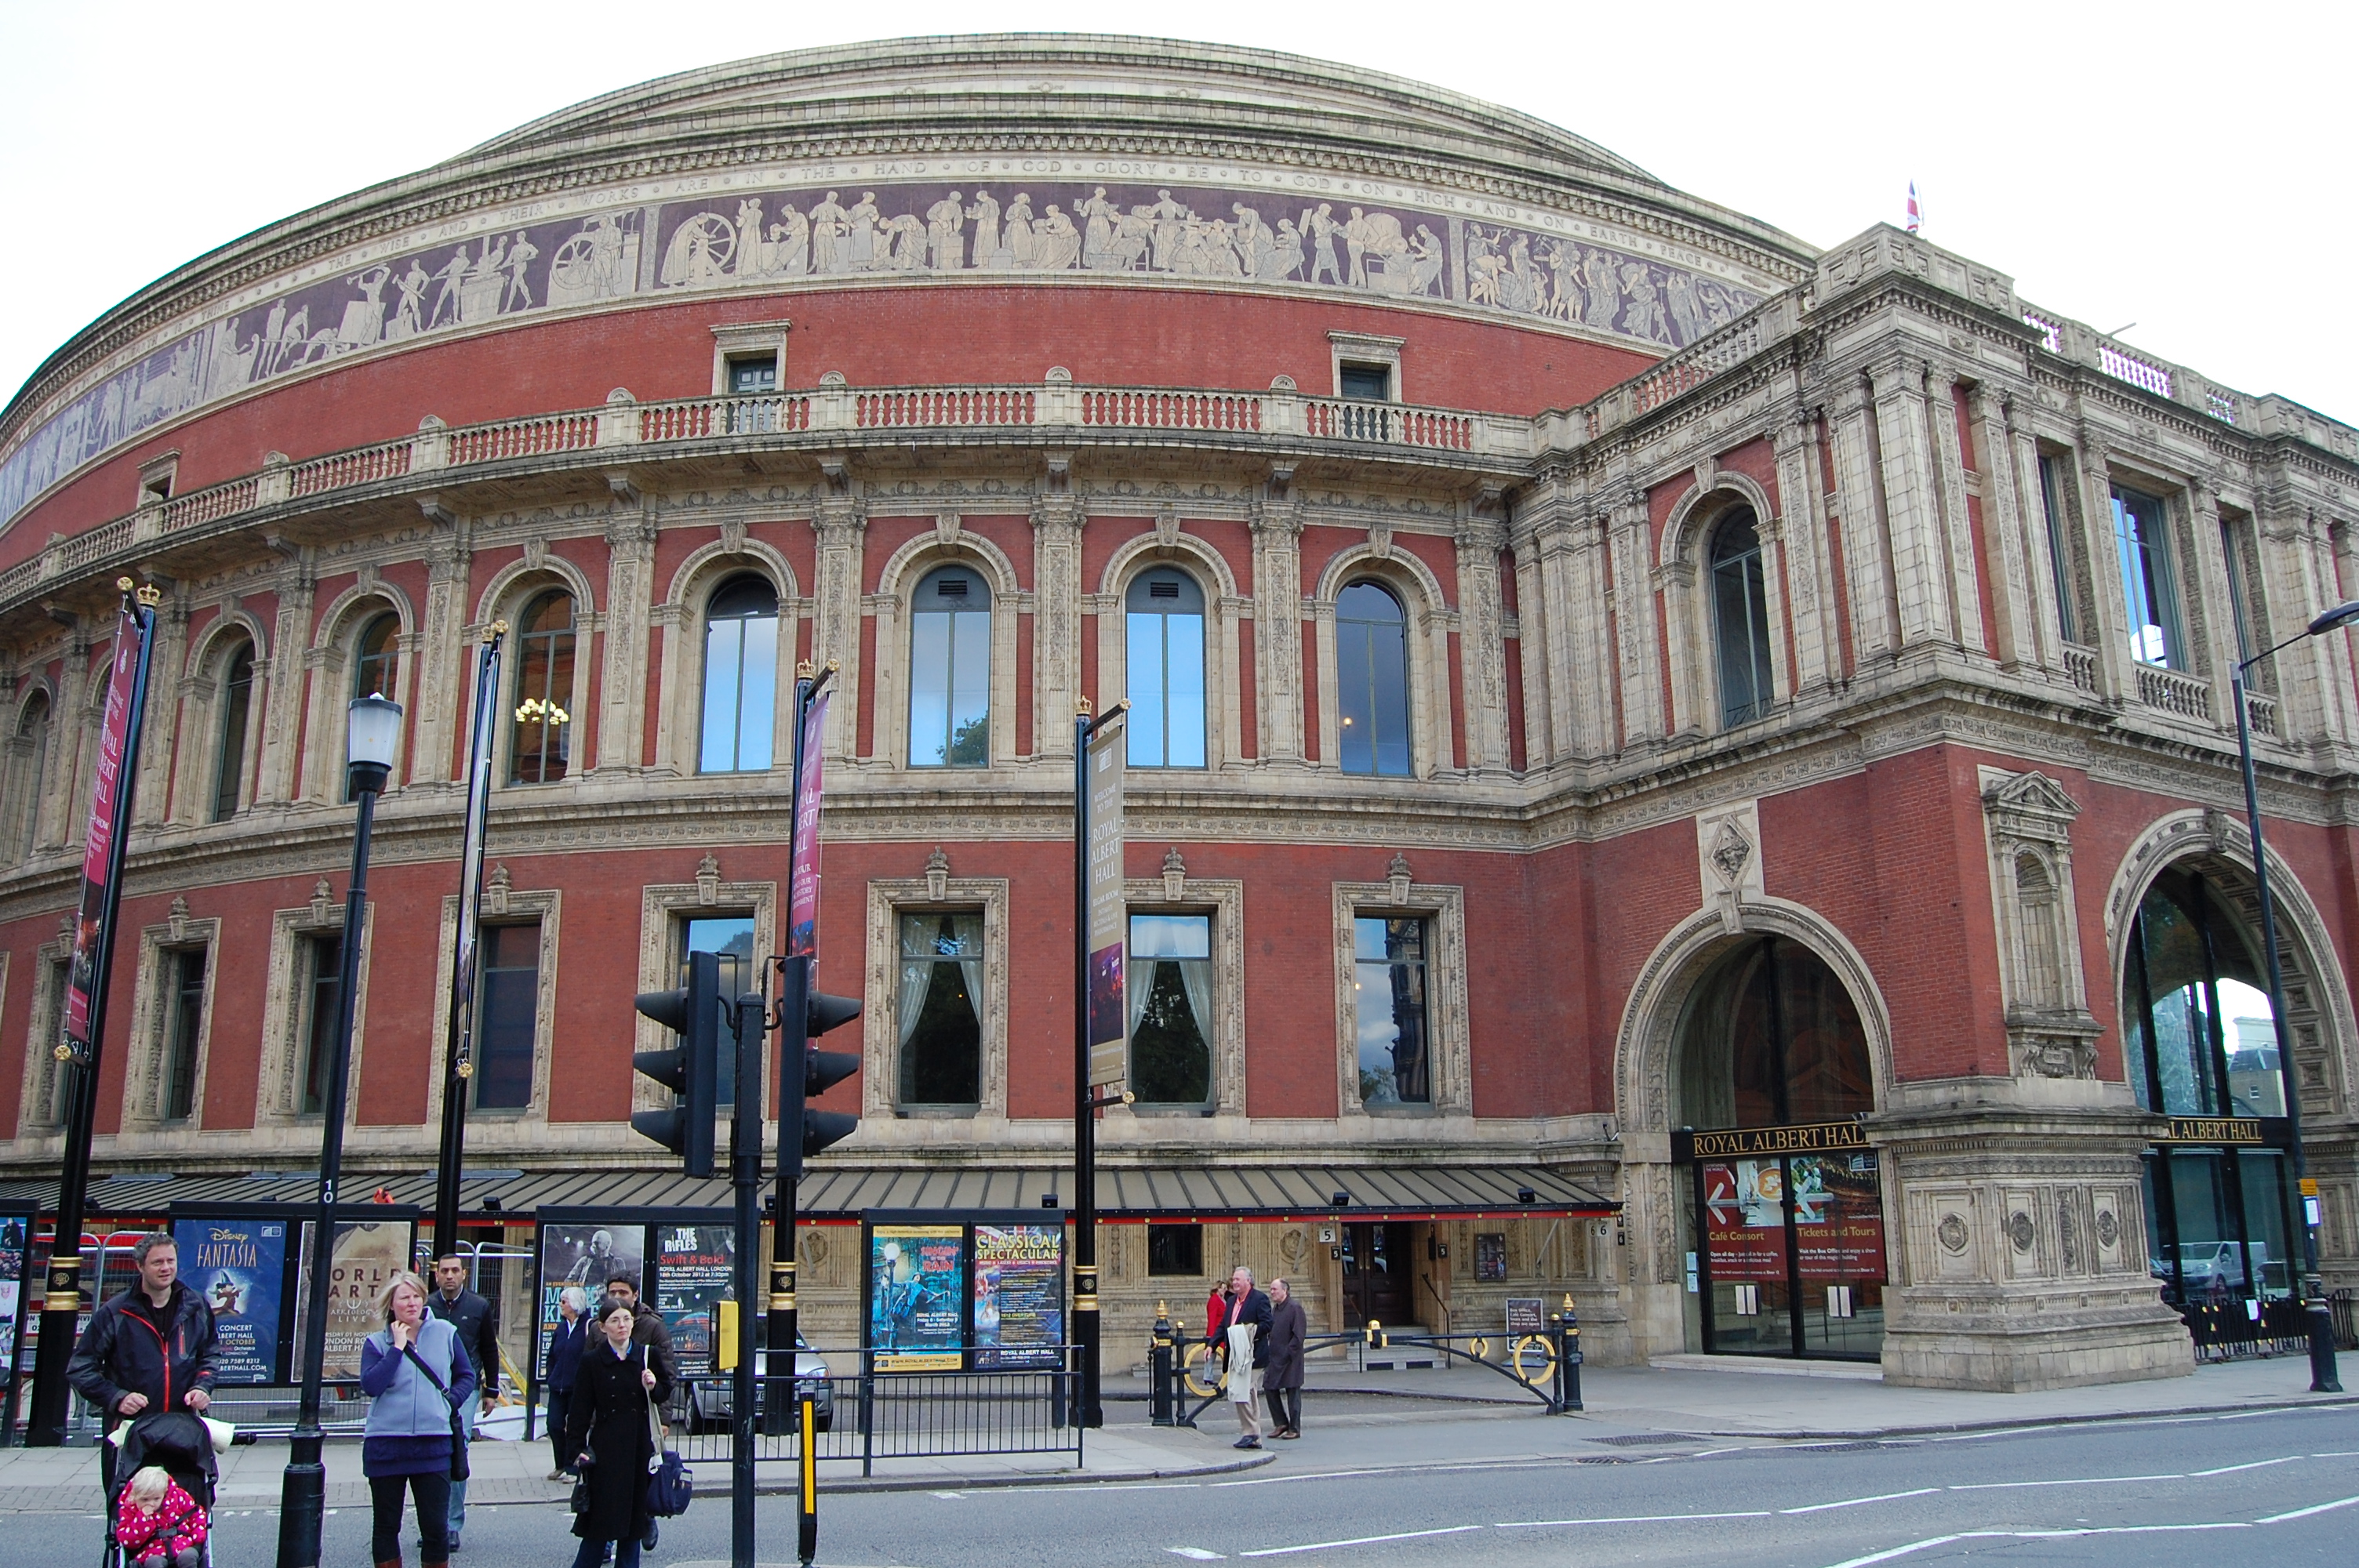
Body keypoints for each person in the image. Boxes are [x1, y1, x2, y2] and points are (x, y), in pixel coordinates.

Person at [360, 1269, 476, 1568]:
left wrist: (451, 1401)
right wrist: (397, 1348)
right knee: (386, 1525)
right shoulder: (376, 1343)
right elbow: (372, 1385)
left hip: (433, 1444)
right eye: (404, 1298)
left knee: (436, 1529)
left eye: (416, 1296)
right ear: (391, 1305)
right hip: (386, 1444)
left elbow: (466, 1375)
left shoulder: (445, 1333)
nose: (412, 1303)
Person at [67, 1232, 219, 1432]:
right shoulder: (115, 1313)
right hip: (129, 1429)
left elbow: (210, 1355)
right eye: (157, 1262)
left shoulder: (196, 1307)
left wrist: (202, 1387)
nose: (166, 1268)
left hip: (182, 1428)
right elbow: (80, 1368)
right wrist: (117, 1397)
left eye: (170, 1261)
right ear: (140, 1266)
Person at [563, 1298, 671, 1568]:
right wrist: (576, 1450)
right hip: (606, 1449)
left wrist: (654, 1384)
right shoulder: (592, 1362)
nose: (622, 1325)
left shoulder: (646, 1355)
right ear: (602, 1327)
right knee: (599, 1524)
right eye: (615, 1320)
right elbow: (580, 1409)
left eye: (626, 1319)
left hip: (638, 1449)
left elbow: (663, 1393)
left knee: (633, 1526)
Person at [426, 1254, 500, 1550]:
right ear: (437, 1276)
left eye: (455, 1271)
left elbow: (489, 1348)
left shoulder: (478, 1306)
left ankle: (452, 1523)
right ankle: (433, 1522)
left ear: (464, 1274)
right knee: (433, 1452)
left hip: (465, 1385)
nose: (449, 1276)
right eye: (444, 1271)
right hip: (432, 1386)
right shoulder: (428, 1306)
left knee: (459, 1447)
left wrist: (491, 1390)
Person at [602, 1274, 680, 1428]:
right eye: (612, 1293)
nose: (617, 1297)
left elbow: (667, 1374)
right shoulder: (599, 1327)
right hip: (605, 1413)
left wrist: (663, 1419)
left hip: (640, 1413)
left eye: (623, 1293)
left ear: (635, 1295)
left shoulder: (653, 1326)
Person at [1217, 1265, 1273, 1450]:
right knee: (1249, 1393)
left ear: (1248, 1281)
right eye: (1233, 1280)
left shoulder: (1259, 1299)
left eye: (1237, 1280)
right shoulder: (1232, 1301)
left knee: (1241, 1391)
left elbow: (1267, 1324)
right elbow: (1223, 1325)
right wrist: (1212, 1345)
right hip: (1236, 1355)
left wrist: (1248, 1331)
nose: (1234, 1283)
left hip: (1254, 1355)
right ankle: (1254, 1437)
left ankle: (1250, 1433)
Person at [115, 1464, 207, 1568]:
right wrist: (142, 1520)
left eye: (156, 1499)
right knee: (154, 1563)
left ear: (165, 1493)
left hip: (183, 1543)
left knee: (188, 1557)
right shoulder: (130, 1510)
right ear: (135, 1496)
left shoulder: (177, 1497)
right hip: (152, 1550)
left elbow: (196, 1513)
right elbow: (128, 1540)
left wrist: (198, 1537)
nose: (151, 1503)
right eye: (145, 1500)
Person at [544, 1286, 589, 1480]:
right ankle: (560, 1464)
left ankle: (573, 1467)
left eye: (564, 1301)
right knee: (553, 1425)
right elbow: (552, 1355)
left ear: (575, 1304)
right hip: (558, 1386)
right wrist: (551, 1375)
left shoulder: (588, 1326)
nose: (561, 1305)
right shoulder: (562, 1327)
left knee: (575, 1428)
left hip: (577, 1386)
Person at [1263, 1276, 1307, 1439]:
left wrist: (1289, 1352)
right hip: (1275, 1357)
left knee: (1292, 1391)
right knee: (1269, 1387)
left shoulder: (1295, 1308)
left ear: (1285, 1291)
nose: (1272, 1292)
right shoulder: (1276, 1308)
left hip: (1290, 1359)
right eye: (1271, 1289)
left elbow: (1299, 1335)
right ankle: (1281, 1422)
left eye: (1275, 1289)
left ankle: (1294, 1428)